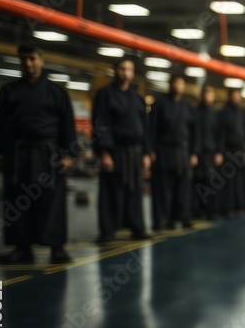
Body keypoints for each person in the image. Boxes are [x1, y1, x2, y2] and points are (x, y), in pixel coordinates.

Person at [0, 43, 75, 264]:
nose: (28, 63)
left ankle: (57, 247)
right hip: (17, 154)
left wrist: (67, 154)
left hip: (49, 154)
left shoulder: (57, 93)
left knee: (52, 200)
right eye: (24, 59)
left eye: (32, 59)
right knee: (18, 201)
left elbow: (67, 125)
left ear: (41, 60)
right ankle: (21, 248)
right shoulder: (9, 91)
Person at [93, 58, 151, 242]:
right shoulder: (105, 94)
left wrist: (146, 153)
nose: (125, 72)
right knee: (112, 191)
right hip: (114, 152)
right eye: (122, 69)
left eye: (129, 69)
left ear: (133, 73)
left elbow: (145, 127)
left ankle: (137, 227)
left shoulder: (138, 98)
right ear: (115, 70)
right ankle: (108, 230)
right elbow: (100, 123)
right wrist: (104, 152)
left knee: (134, 192)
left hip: (134, 152)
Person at [150, 74, 199, 230]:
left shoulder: (188, 107)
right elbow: (151, 129)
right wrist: (151, 150)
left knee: (183, 188)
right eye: (176, 82)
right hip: (164, 150)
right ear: (171, 84)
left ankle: (181, 217)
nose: (178, 86)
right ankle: (161, 220)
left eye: (181, 83)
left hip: (183, 151)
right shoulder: (160, 104)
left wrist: (193, 153)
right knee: (163, 187)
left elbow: (194, 132)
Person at [217, 89, 245, 216]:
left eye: (238, 96)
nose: (237, 99)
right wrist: (220, 151)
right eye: (234, 96)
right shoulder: (224, 113)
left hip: (241, 150)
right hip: (228, 150)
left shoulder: (242, 113)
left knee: (241, 180)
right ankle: (228, 207)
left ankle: (240, 204)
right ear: (230, 97)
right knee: (229, 180)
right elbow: (221, 134)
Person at [193, 86, 224, 219]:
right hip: (199, 153)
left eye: (210, 94)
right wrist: (194, 152)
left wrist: (219, 152)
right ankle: (198, 210)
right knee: (198, 182)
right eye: (206, 94)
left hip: (211, 153)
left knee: (212, 182)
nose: (208, 97)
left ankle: (211, 210)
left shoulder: (215, 115)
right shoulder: (195, 113)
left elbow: (220, 135)